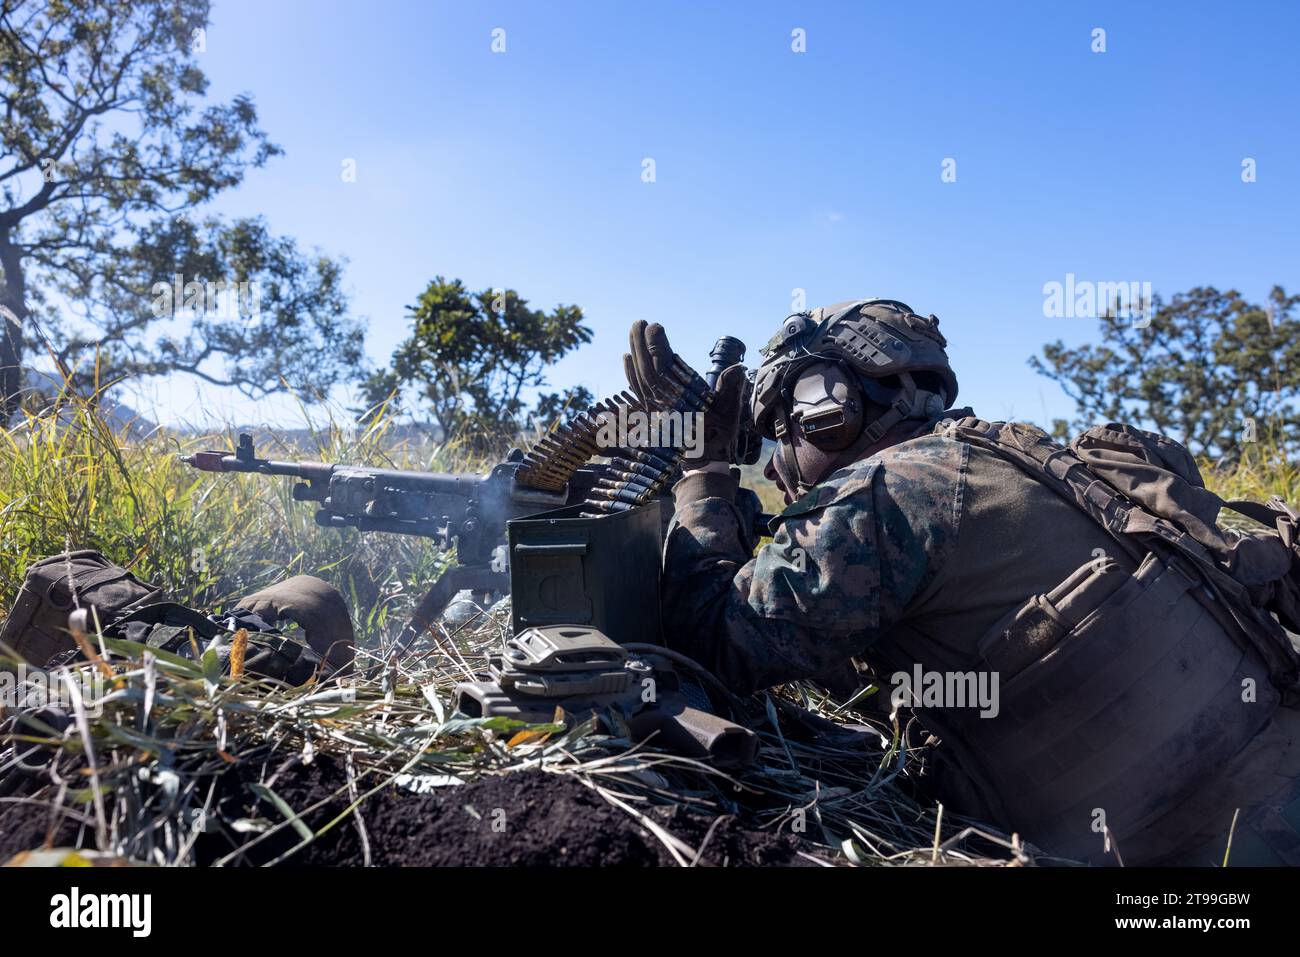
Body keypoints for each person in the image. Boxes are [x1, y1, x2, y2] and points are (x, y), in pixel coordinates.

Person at [624, 300, 1300, 865]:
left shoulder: (894, 493)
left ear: (831, 406)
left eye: (783, 431)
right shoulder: (1008, 456)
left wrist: (704, 473)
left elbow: (712, 638)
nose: (775, 470)